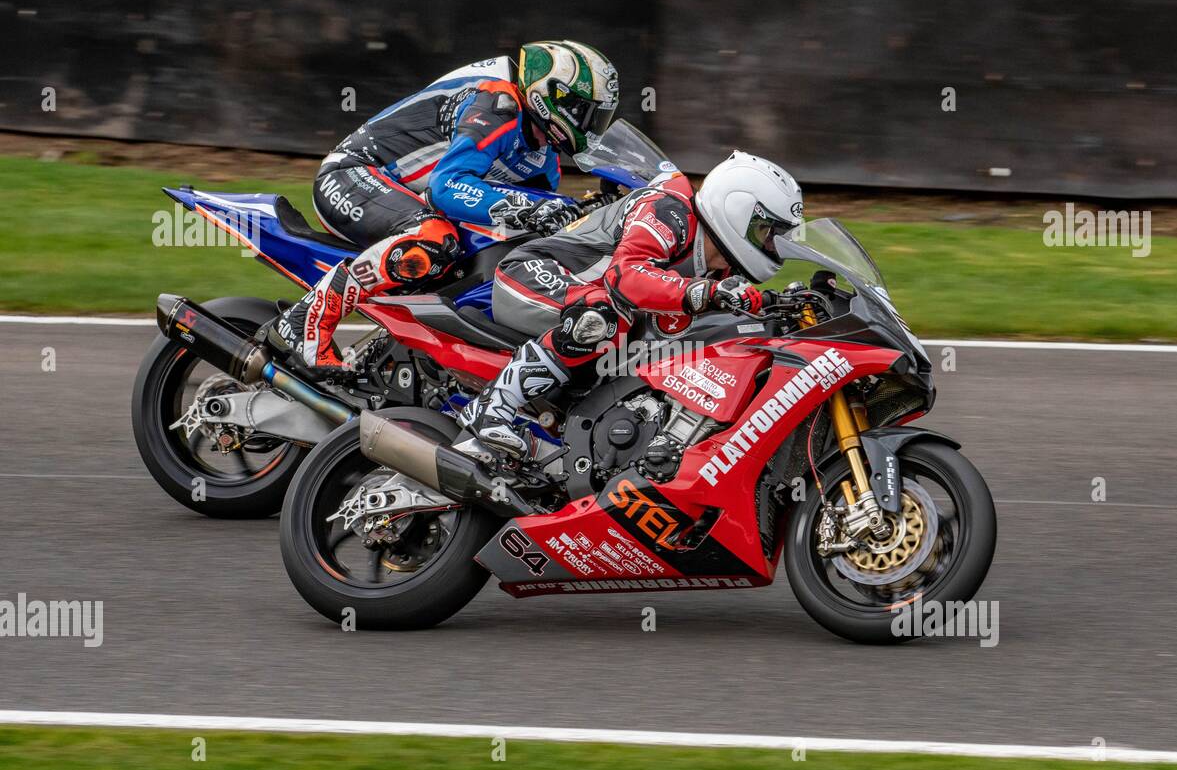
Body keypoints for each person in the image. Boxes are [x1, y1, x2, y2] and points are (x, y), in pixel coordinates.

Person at [269, 40, 620, 374]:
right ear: (553, 96)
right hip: (353, 175)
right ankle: (305, 320)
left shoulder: (543, 156)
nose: (591, 127)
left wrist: (583, 213)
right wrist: (523, 206)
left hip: (404, 198)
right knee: (433, 240)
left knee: (481, 256)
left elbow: (534, 218)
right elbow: (446, 187)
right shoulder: (498, 104)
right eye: (585, 114)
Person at [458, 151, 804, 460]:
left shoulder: (720, 265)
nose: (773, 245)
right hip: (532, 273)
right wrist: (704, 292)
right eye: (767, 231)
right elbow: (626, 277)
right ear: (737, 211)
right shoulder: (669, 211)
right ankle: (492, 408)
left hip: (579, 301)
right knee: (605, 317)